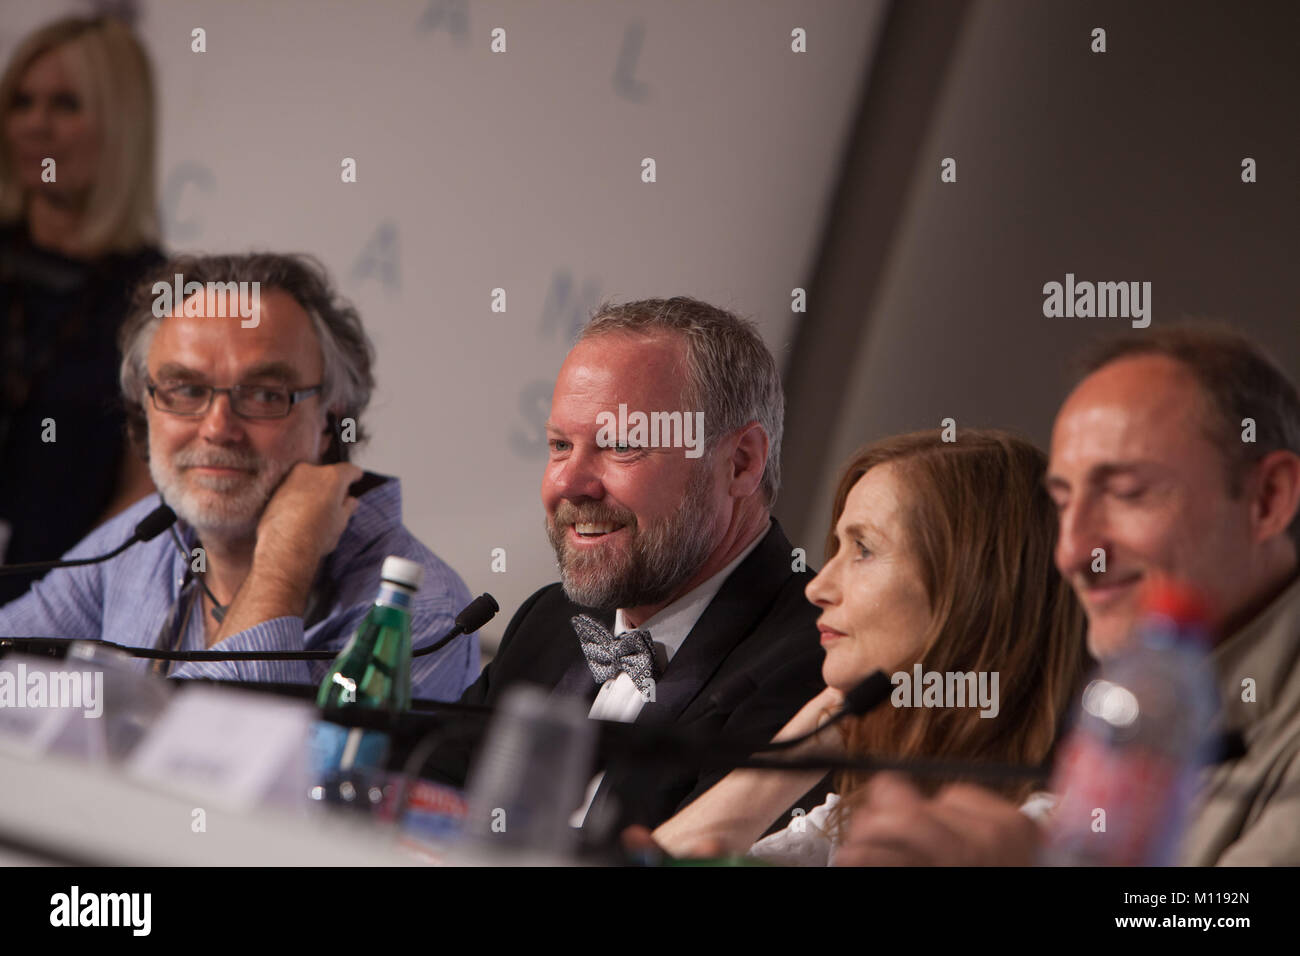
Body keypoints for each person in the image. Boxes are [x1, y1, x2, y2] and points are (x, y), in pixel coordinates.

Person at [837, 323, 1300, 866]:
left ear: (1267, 499)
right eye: (1062, 503)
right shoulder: (1139, 695)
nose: (1075, 552)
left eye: (1127, 493)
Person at [423, 296, 827, 834]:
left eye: (621, 446)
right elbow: (423, 803)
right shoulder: (548, 620)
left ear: (741, 463)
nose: (567, 483)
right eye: (561, 445)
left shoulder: (818, 660)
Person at [0, 253, 478, 701]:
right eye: (185, 389)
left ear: (331, 419)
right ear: (144, 409)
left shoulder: (424, 617)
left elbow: (206, 772)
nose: (217, 429)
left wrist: (282, 563)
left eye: (266, 395)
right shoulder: (145, 536)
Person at [649, 429, 1088, 863]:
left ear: (976, 590)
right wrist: (801, 743)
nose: (817, 587)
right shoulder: (840, 821)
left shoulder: (1059, 842)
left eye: (863, 549)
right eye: (838, 546)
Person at [0, 15, 165, 602]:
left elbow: (146, 487)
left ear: (121, 124)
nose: (35, 125)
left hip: (51, 616)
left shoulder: (157, 296)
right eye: (22, 101)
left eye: (66, 105)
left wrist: (60, 601)